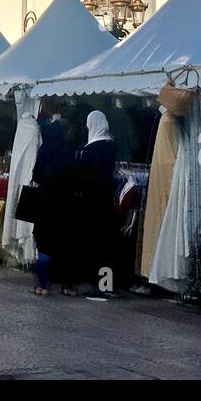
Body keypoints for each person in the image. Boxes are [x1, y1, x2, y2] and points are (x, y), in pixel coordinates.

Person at [29, 111, 75, 296]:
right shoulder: (70, 150)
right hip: (64, 203)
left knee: (44, 245)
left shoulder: (45, 149)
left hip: (44, 203)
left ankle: (42, 285)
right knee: (64, 245)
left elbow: (36, 175)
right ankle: (67, 285)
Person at [77, 110, 118, 301]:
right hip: (107, 202)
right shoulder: (111, 146)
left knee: (93, 245)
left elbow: (84, 178)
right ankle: (107, 285)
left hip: (91, 204)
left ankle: (95, 285)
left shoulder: (89, 150)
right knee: (107, 246)